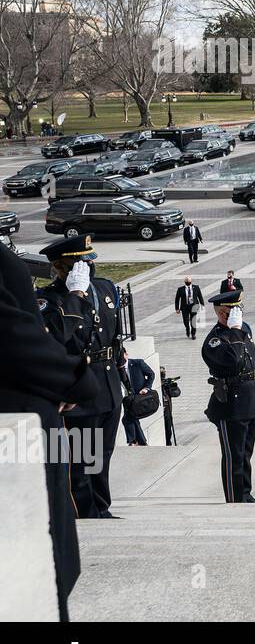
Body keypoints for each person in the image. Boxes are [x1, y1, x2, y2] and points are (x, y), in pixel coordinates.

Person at [0, 238, 95, 620]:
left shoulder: (99, 289)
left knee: (88, 459)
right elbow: (18, 337)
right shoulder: (54, 298)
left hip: (58, 392)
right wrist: (73, 378)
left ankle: (97, 507)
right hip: (36, 399)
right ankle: (94, 507)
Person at [36, 235, 125, 519]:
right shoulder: (50, 300)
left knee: (102, 455)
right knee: (81, 459)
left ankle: (102, 507)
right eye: (80, 263)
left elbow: (115, 335)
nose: (87, 267)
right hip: (78, 388)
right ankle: (86, 514)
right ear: (62, 268)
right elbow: (57, 337)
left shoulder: (106, 288)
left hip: (108, 385)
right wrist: (75, 296)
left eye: (88, 260)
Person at [201, 289, 255, 503]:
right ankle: (235, 498)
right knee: (233, 455)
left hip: (249, 399)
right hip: (231, 404)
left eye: (239, 308)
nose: (238, 313)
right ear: (222, 314)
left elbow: (251, 361)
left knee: (246, 453)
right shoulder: (214, 341)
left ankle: (246, 494)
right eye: (233, 310)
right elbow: (233, 361)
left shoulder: (244, 329)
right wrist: (235, 331)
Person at [119, 349, 153, 446]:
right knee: (131, 418)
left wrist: (146, 388)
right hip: (127, 399)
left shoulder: (138, 363)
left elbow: (151, 374)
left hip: (139, 397)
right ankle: (140, 442)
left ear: (126, 354)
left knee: (127, 419)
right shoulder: (117, 369)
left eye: (122, 356)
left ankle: (134, 441)